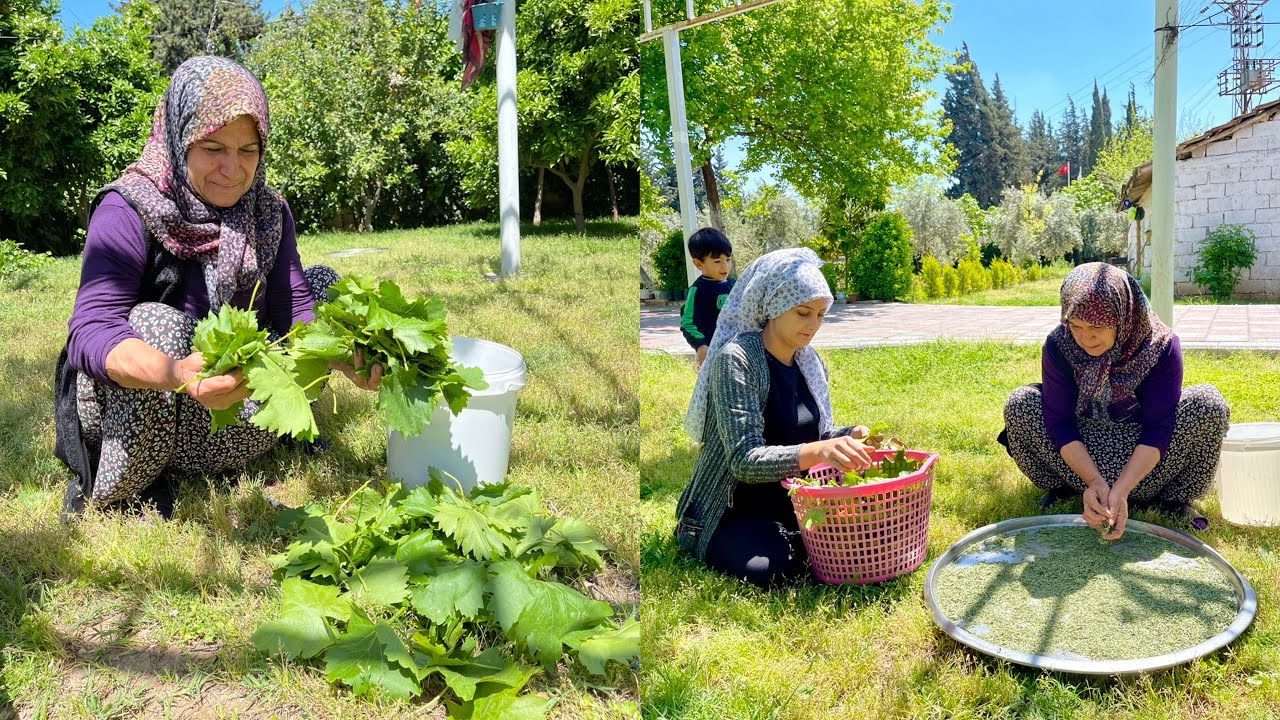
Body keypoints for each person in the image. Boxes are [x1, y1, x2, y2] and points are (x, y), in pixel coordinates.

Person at [53, 56, 380, 520]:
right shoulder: (129, 207)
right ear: (178, 139)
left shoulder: (267, 213)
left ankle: (274, 432)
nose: (233, 169)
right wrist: (178, 373)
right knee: (155, 324)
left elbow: (295, 314)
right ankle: (132, 486)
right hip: (139, 411)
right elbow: (90, 332)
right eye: (212, 147)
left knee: (324, 287)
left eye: (248, 150)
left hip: (224, 417)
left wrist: (344, 355)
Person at [674, 248, 874, 587]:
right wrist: (822, 451)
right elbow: (744, 460)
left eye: (821, 315)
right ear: (773, 307)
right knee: (773, 569)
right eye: (803, 313)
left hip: (793, 498)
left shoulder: (808, 362)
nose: (813, 326)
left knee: (868, 533)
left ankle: (802, 537)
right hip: (734, 507)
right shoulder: (737, 361)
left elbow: (814, 434)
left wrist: (849, 434)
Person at [1000, 262, 1230, 539]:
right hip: (1083, 453)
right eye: (1075, 325)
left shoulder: (1160, 347)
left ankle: (1172, 501)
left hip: (1149, 460)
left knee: (1208, 403)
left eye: (1097, 325)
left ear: (1123, 316)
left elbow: (1159, 427)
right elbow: (1059, 423)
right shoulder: (1059, 345)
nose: (1086, 337)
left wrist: (1121, 489)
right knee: (1020, 402)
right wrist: (1095, 482)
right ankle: (1064, 489)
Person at [680, 227, 735, 368]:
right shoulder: (698, 290)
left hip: (737, 350)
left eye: (728, 259)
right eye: (717, 261)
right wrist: (701, 345)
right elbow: (688, 323)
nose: (725, 266)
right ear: (698, 264)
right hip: (713, 355)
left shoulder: (735, 284)